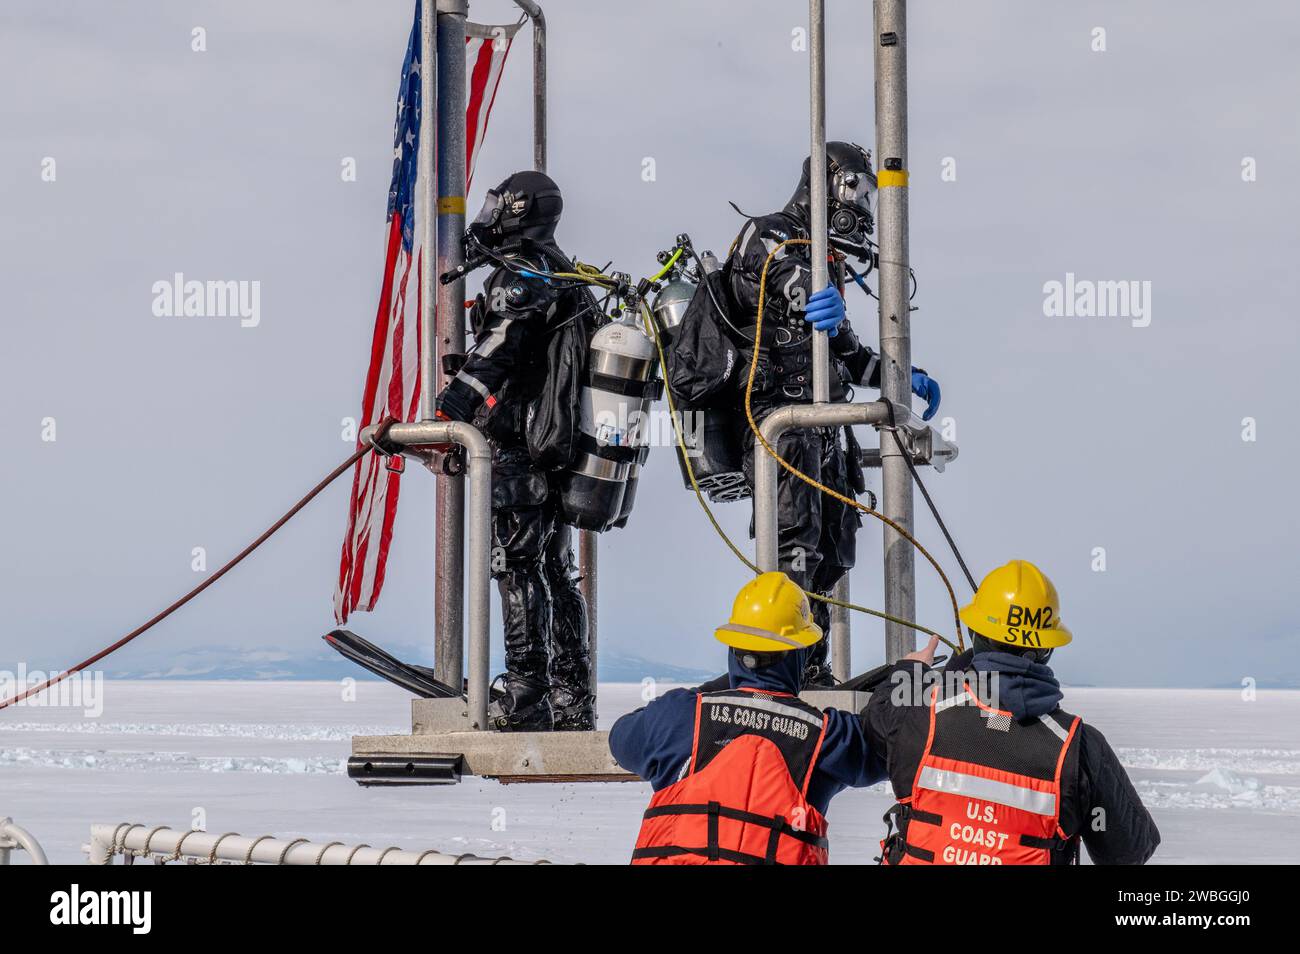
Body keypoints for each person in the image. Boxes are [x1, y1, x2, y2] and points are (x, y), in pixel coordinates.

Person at [724, 141, 942, 687]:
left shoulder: (829, 263)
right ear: (833, 186)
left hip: (825, 426)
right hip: (783, 423)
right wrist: (810, 289)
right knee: (793, 545)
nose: (867, 206)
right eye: (861, 190)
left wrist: (898, 376)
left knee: (833, 548)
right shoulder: (771, 234)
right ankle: (783, 670)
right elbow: (792, 286)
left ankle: (813, 668)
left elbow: (845, 350)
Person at [863, 559, 1161, 865]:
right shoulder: (1078, 747)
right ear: (1047, 648)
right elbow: (1129, 851)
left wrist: (914, 672)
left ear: (976, 634)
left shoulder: (923, 717)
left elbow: (876, 718)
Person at [434, 170, 594, 732]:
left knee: (515, 564)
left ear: (517, 210)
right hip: (559, 449)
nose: (486, 216)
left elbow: (501, 348)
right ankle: (571, 694)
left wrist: (448, 411)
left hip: (521, 447)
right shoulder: (567, 273)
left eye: (496, 205)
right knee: (554, 568)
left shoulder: (521, 276)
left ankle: (526, 691)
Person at [609, 572, 887, 865]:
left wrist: (713, 690)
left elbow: (621, 738)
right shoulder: (827, 737)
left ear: (732, 646)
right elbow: (890, 745)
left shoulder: (680, 715)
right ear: (799, 655)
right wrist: (903, 680)